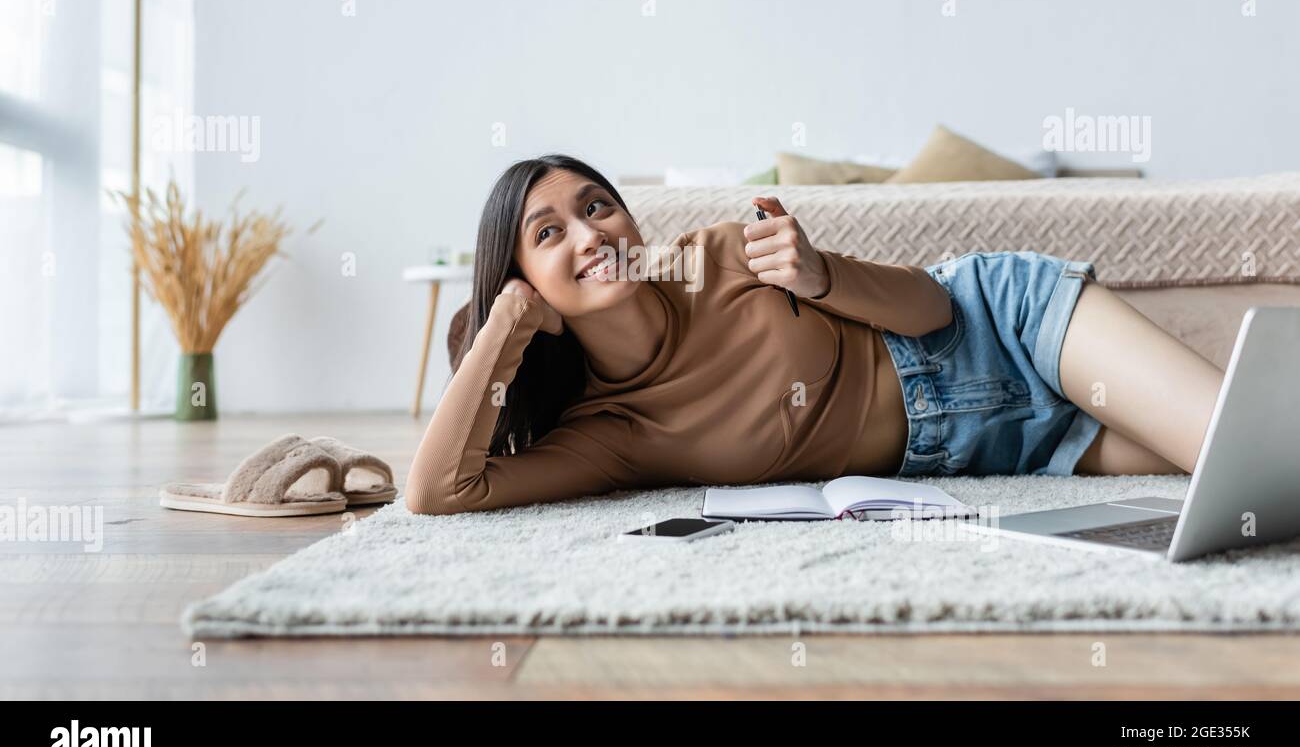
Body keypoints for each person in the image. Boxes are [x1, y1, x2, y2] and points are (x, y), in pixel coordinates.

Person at [406, 154, 1225, 515]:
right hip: (992, 447)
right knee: (1254, 483)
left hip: (1001, 326)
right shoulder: (609, 436)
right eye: (548, 234)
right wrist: (505, 318)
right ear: (524, 280)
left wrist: (821, 272)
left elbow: (938, 311)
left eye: (596, 205)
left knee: (1236, 450)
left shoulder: (716, 254)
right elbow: (440, 490)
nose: (589, 234)